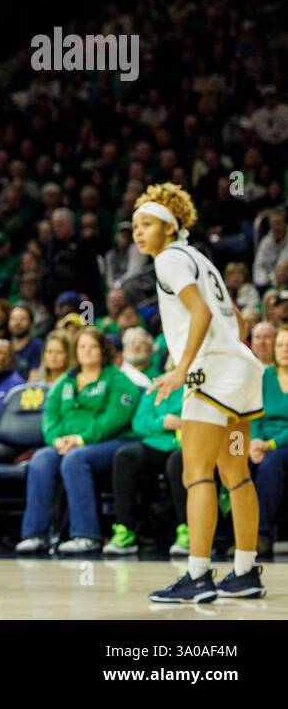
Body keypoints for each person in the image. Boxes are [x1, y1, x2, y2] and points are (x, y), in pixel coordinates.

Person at [131, 185, 268, 602]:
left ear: (169, 228)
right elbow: (238, 320)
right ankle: (245, 572)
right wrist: (229, 359)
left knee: (196, 474)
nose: (139, 233)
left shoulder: (170, 260)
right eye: (135, 225)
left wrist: (181, 369)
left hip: (211, 377)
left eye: (148, 224)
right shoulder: (200, 259)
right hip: (241, 372)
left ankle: (197, 576)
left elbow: (202, 312)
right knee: (236, 474)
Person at [16, 327, 140, 555]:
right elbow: (50, 417)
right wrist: (56, 440)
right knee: (42, 458)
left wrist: (80, 439)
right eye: (82, 346)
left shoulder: (117, 380)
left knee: (75, 459)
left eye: (93, 346)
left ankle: (86, 534)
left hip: (111, 443)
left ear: (103, 350)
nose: (87, 351)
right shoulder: (66, 382)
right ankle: (35, 534)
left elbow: (115, 418)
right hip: (68, 444)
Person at [103, 363, 187, 557]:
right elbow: (139, 422)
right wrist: (162, 422)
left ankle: (188, 531)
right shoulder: (158, 384)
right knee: (125, 457)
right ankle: (125, 531)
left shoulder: (201, 385)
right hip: (159, 442)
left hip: (189, 445)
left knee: (177, 462)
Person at [250, 325, 288, 558]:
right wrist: (254, 440)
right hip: (262, 441)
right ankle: (236, 534)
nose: (285, 350)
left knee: (270, 464)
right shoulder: (264, 376)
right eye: (281, 345)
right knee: (236, 461)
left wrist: (270, 445)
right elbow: (254, 413)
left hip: (281, 443)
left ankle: (261, 534)